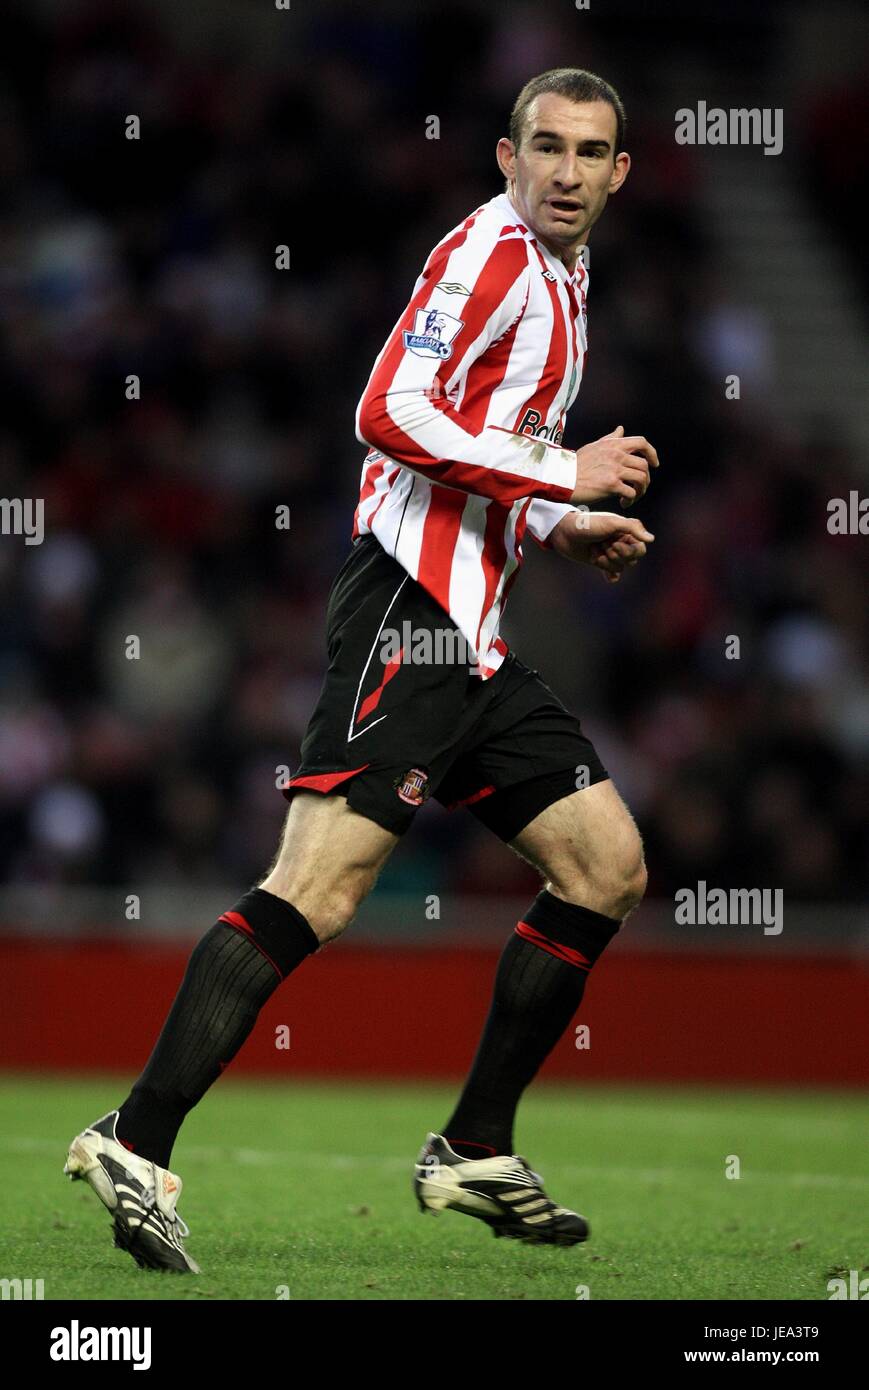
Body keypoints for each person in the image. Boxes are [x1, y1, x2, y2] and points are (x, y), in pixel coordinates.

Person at [64, 67, 659, 1273]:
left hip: (475, 632)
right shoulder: (487, 256)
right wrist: (564, 479)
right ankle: (136, 1134)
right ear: (504, 157)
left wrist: (560, 524)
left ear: (617, 173)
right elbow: (386, 411)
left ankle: (475, 1146)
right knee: (321, 890)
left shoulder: (568, 273)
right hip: (408, 606)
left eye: (587, 153)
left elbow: (488, 446)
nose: (562, 172)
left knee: (604, 867)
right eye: (542, 147)